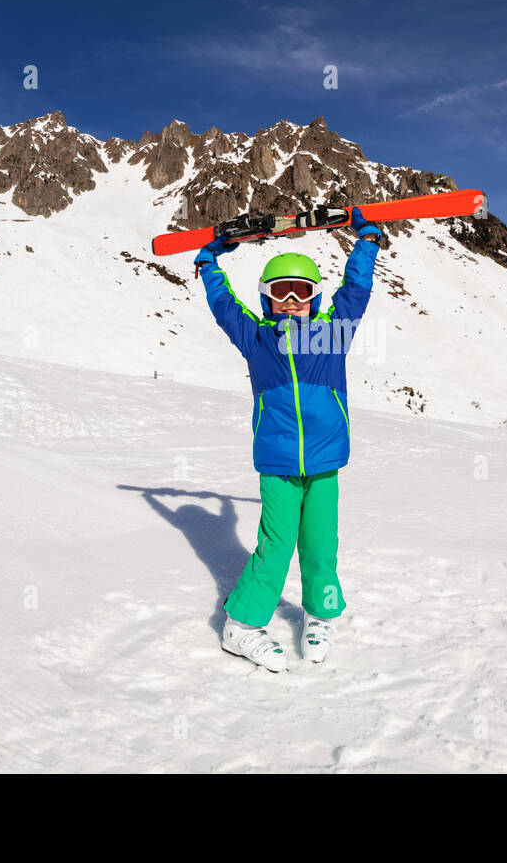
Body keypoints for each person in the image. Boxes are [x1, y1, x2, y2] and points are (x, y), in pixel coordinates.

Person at [192, 208, 382, 671]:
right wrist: (209, 260)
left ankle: (319, 615)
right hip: (278, 463)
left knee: (321, 545)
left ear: (314, 298)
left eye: (301, 291)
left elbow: (355, 291)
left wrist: (367, 240)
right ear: (267, 298)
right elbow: (223, 304)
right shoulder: (256, 339)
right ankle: (241, 626)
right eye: (282, 292)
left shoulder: (333, 333)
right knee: (275, 547)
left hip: (325, 461)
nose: (292, 299)